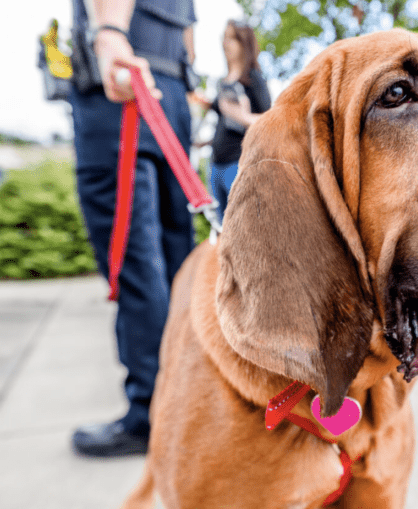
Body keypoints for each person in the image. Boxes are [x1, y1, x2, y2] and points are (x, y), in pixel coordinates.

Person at [68, 0, 197, 457]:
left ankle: (152, 415)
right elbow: (190, 41)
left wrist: (109, 32)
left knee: (135, 262)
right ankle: (191, 403)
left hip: (121, 83)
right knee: (178, 261)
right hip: (171, 89)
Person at [195, 20, 271, 220]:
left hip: (238, 165)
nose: (225, 43)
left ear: (243, 43)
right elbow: (224, 123)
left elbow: (269, 121)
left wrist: (243, 117)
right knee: (222, 228)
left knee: (242, 224)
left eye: (232, 38)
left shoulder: (253, 79)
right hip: (215, 166)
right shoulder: (223, 82)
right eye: (224, 38)